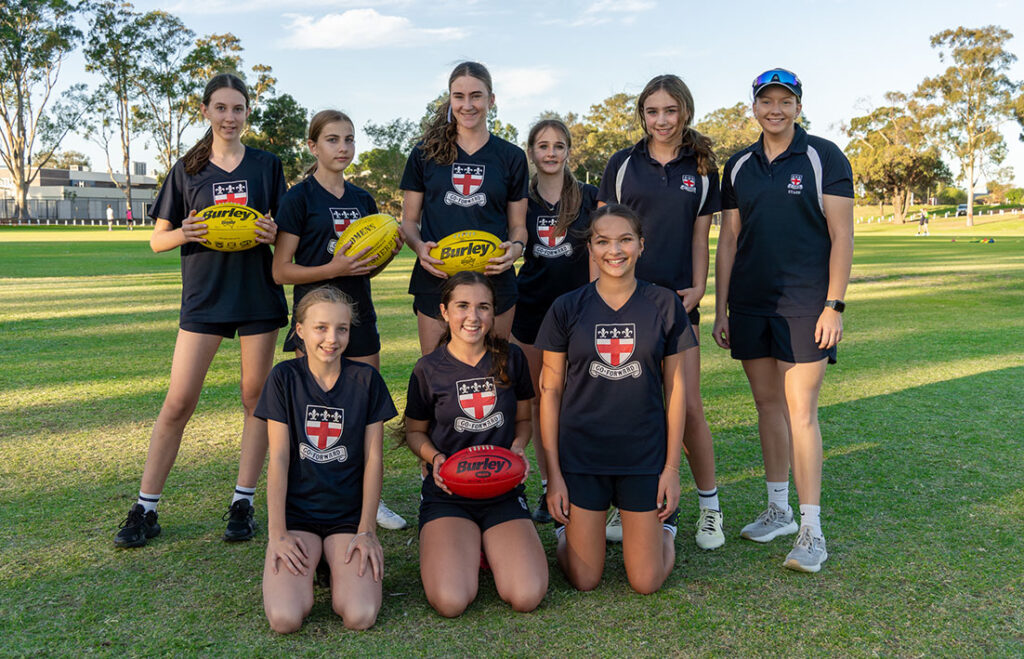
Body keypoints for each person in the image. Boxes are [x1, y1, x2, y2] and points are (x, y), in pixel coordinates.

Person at [113, 73, 287, 548]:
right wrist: (185, 234)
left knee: (255, 399)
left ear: (247, 112)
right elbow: (156, 240)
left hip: (255, 293)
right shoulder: (187, 169)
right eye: (221, 108)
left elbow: (283, 232)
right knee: (178, 402)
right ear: (206, 111)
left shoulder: (268, 166)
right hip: (205, 297)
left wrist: (273, 234)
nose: (230, 117)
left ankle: (243, 501)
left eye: (238, 109)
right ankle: (146, 507)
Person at [712, 68, 854, 573]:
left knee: (802, 412)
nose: (775, 109)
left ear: (798, 106)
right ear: (754, 106)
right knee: (767, 406)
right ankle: (779, 510)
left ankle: (812, 531)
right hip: (750, 304)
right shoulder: (739, 164)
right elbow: (728, 240)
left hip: (805, 305)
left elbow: (842, 235)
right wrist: (721, 307)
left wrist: (834, 305)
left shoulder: (823, 156)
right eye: (766, 101)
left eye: (785, 101)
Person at [596, 74, 725, 550]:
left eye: (670, 110)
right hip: (623, 300)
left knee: (687, 406)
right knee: (627, 402)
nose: (662, 120)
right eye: (652, 111)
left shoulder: (704, 166)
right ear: (642, 115)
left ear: (685, 111)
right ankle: (623, 500)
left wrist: (698, 289)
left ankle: (710, 508)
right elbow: (607, 232)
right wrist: (604, 294)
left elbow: (699, 236)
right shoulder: (623, 164)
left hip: (677, 303)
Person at [536, 204, 693, 594]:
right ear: (590, 248)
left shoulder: (664, 304)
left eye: (625, 239)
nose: (614, 250)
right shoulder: (567, 307)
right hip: (583, 455)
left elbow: (676, 390)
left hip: (642, 456)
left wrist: (671, 469)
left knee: (646, 581)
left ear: (641, 244)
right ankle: (567, 532)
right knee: (585, 579)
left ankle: (665, 531)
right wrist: (554, 476)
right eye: (603, 241)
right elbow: (550, 390)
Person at [272, 109, 407, 531]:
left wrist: (387, 252)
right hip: (315, 325)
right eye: (332, 140)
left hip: (359, 319)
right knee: (313, 417)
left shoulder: (364, 200)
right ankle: (305, 499)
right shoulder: (298, 198)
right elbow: (281, 270)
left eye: (349, 139)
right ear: (313, 146)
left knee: (363, 411)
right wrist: (333, 268)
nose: (343, 148)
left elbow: (362, 270)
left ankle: (371, 499)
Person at [403, 271, 547, 617]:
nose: (473, 316)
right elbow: (414, 432)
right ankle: (467, 543)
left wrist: (518, 447)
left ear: (494, 312)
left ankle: (488, 543)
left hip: (502, 490)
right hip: (448, 493)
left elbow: (524, 420)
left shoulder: (511, 359)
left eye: (483, 307)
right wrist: (435, 457)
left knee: (527, 596)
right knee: (451, 601)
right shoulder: (428, 369)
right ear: (444, 311)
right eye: (462, 306)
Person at [256, 286, 395, 633]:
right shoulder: (284, 379)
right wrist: (277, 534)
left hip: (347, 518)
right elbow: (279, 461)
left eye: (342, 329)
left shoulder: (367, 380)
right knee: (285, 618)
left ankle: (334, 564)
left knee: (359, 615)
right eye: (321, 327)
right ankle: (317, 563)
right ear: (300, 331)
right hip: (298, 517)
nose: (331, 339)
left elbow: (374, 460)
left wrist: (367, 530)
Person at [400, 61, 528, 356]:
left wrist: (516, 249)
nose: (467, 105)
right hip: (436, 278)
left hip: (494, 279)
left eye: (476, 96)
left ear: (491, 100)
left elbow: (518, 226)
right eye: (459, 96)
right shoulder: (424, 153)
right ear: (450, 99)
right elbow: (408, 222)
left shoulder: (511, 157)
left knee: (494, 374)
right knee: (436, 375)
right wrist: (419, 248)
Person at [512, 119, 598, 524]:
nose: (550, 153)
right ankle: (549, 487)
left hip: (576, 312)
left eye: (558, 146)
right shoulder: (520, 201)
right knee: (537, 399)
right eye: (542, 145)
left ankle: (582, 482)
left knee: (576, 400)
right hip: (529, 309)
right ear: (531, 151)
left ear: (569, 151)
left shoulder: (589, 198)